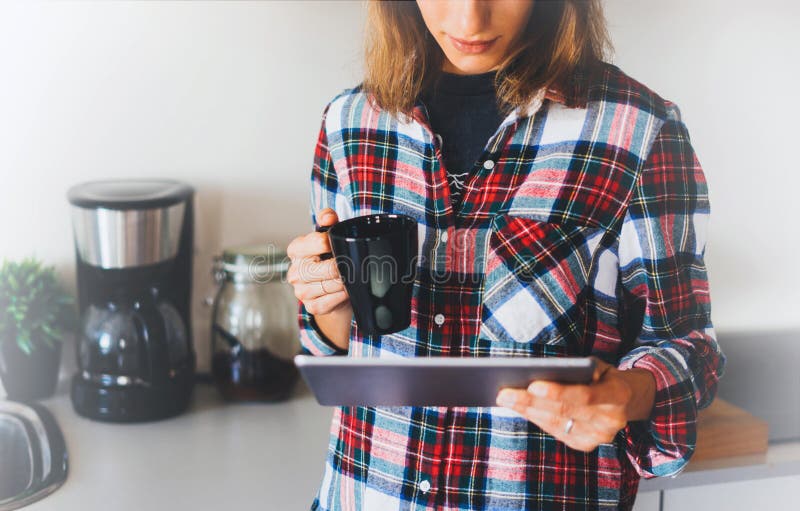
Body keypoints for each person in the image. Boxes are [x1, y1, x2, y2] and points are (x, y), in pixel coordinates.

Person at [286, 1, 726, 509]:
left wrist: (625, 395)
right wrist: (327, 306)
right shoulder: (348, 122)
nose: (470, 21)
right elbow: (333, 346)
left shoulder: (639, 131)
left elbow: (689, 349)